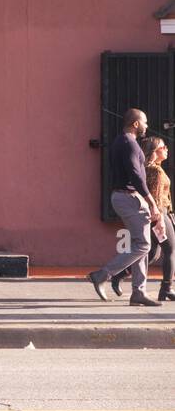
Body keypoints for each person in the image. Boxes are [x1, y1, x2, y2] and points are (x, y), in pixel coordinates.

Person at [88, 108, 164, 306]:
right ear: (136, 124)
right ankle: (102, 275)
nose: (147, 125)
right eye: (144, 122)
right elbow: (136, 177)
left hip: (127, 197)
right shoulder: (128, 144)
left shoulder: (122, 142)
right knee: (144, 245)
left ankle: (138, 292)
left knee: (141, 244)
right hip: (128, 197)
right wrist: (152, 202)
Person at [112, 136, 175, 300]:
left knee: (152, 253)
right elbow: (155, 196)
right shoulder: (155, 170)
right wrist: (160, 219)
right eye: (163, 147)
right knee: (170, 250)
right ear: (154, 151)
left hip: (158, 212)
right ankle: (167, 288)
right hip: (159, 212)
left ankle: (118, 275)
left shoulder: (148, 168)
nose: (166, 149)